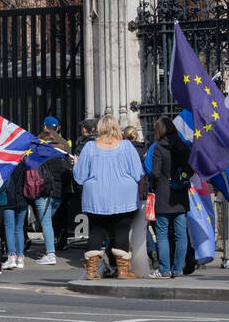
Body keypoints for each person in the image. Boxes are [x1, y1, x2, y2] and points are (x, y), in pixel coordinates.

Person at [74, 115, 145, 279]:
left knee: (96, 230)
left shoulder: (89, 148)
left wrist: (76, 165)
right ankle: (123, 270)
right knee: (122, 230)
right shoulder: (127, 146)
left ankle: (91, 271)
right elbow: (138, 173)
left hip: (96, 197)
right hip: (124, 196)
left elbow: (80, 177)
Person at [148, 115, 191, 279]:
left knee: (162, 233)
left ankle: (164, 270)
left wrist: (153, 186)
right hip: (181, 195)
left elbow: (155, 173)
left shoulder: (159, 147)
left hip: (163, 195)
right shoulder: (184, 146)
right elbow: (192, 168)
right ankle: (177, 269)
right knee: (181, 235)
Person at [30, 121, 72, 265]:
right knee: (47, 221)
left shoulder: (38, 154)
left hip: (43, 192)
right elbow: (66, 173)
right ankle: (50, 250)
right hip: (58, 194)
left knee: (46, 222)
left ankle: (50, 253)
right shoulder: (60, 154)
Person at [2, 158, 28, 269]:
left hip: (9, 199)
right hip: (23, 198)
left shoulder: (5, 163)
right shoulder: (25, 162)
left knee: (9, 228)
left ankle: (12, 256)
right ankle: (20, 257)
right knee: (19, 228)